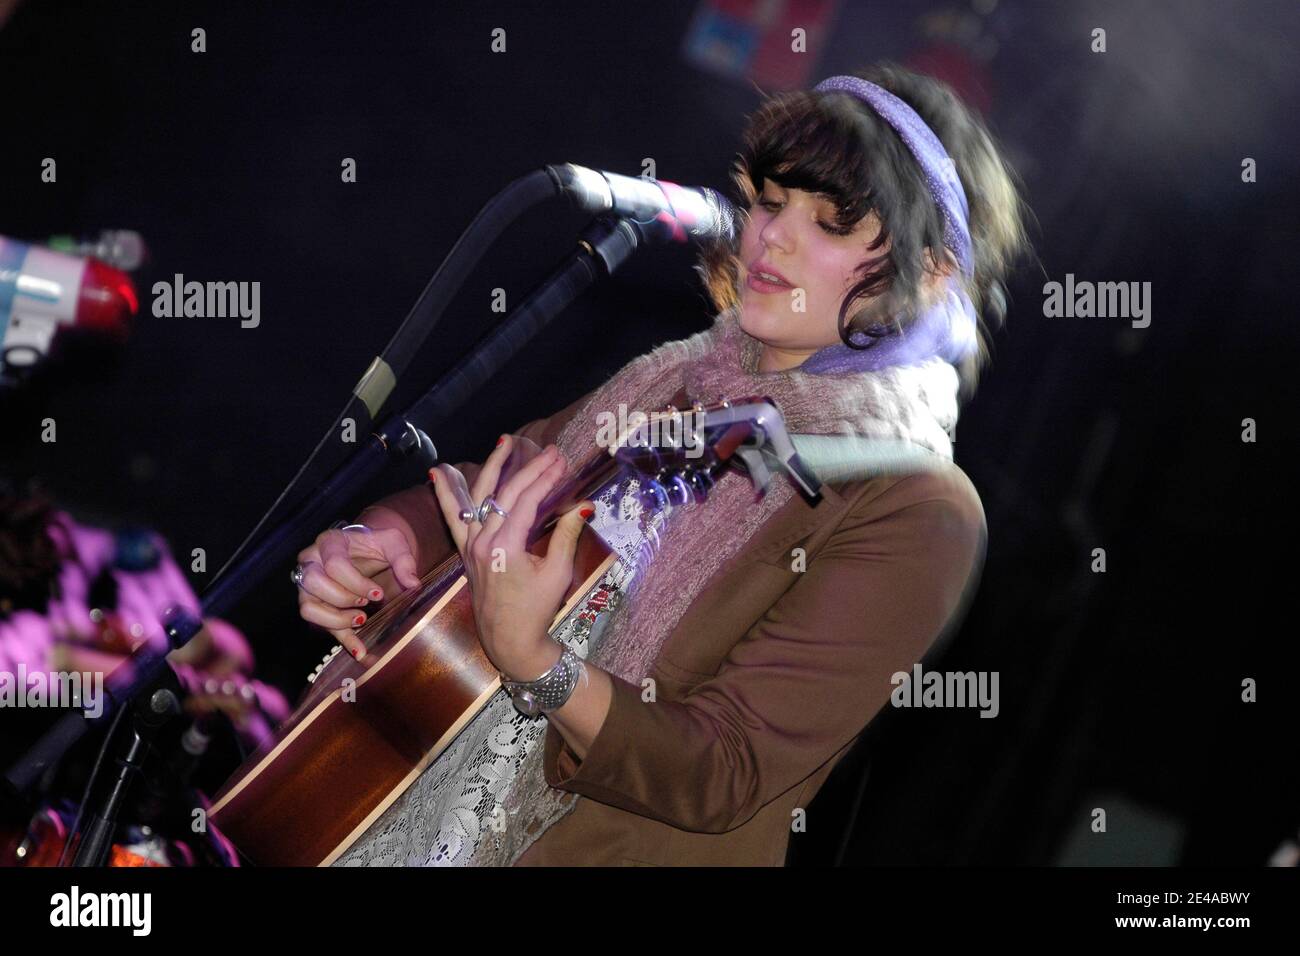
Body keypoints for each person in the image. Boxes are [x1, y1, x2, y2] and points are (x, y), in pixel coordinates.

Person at [295, 63, 1031, 866]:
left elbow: (723, 768)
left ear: (928, 275)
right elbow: (495, 488)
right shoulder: (679, 380)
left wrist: (536, 663)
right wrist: (380, 538)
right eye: (771, 201)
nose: (770, 234)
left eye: (830, 222)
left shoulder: (917, 506)